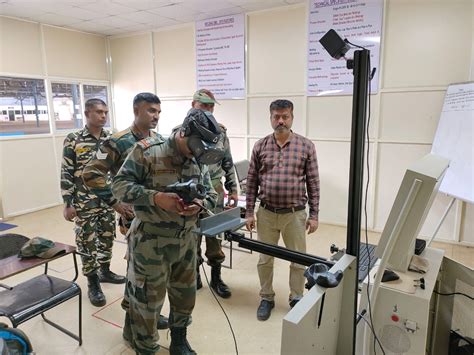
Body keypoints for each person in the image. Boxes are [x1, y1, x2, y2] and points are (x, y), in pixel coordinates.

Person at [112, 108, 221, 355]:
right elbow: (118, 187)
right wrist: (156, 198)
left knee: (185, 297)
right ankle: (146, 348)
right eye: (194, 147)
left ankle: (179, 340)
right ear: (184, 132)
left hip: (186, 243)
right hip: (151, 242)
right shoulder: (148, 150)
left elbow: (212, 194)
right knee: (147, 304)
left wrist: (199, 206)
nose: (197, 154)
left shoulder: (198, 156)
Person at [83, 92, 168, 330]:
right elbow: (90, 173)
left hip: (157, 215)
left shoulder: (159, 139)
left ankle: (145, 310)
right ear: (136, 111)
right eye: (151, 110)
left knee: (153, 270)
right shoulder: (117, 141)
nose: (156, 116)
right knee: (138, 271)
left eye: (159, 112)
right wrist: (115, 202)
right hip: (134, 217)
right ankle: (135, 314)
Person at [245, 99, 320, 321]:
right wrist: (249, 212)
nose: (280, 121)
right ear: (270, 118)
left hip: (295, 215)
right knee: (265, 260)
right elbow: (251, 181)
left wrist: (314, 214)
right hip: (266, 213)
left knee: (298, 259)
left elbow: (313, 182)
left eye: (285, 116)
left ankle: (296, 297)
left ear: (292, 117)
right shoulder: (260, 146)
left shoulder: (306, 146)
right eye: (276, 116)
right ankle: (266, 297)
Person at [60, 98, 126, 307]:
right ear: (87, 114)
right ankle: (93, 282)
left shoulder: (110, 139)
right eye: (98, 112)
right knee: (87, 241)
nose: (103, 116)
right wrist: (68, 202)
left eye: (105, 112)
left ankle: (104, 270)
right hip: (83, 201)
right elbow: (66, 172)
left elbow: (117, 170)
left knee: (107, 236)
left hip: (107, 200)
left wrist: (121, 197)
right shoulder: (74, 139)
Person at [191, 89, 238, 298]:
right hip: (191, 192)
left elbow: (227, 160)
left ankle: (216, 277)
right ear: (194, 105)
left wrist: (234, 189)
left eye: (211, 106)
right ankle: (194, 276)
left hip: (216, 190)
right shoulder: (180, 131)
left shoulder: (220, 132)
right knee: (191, 237)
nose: (208, 109)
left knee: (215, 236)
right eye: (204, 105)